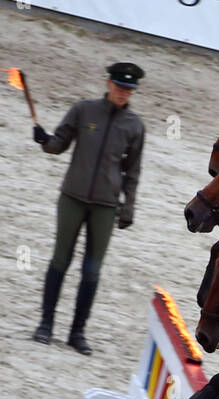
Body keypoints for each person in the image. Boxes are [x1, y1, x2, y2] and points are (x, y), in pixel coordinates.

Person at [32, 60, 145, 354]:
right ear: (108, 83)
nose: (123, 93)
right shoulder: (84, 110)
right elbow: (59, 143)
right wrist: (45, 140)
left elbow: (132, 172)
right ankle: (46, 324)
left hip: (105, 206)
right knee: (60, 260)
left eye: (129, 90)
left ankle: (77, 332)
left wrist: (128, 207)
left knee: (92, 271)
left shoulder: (135, 126)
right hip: (72, 197)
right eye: (120, 87)